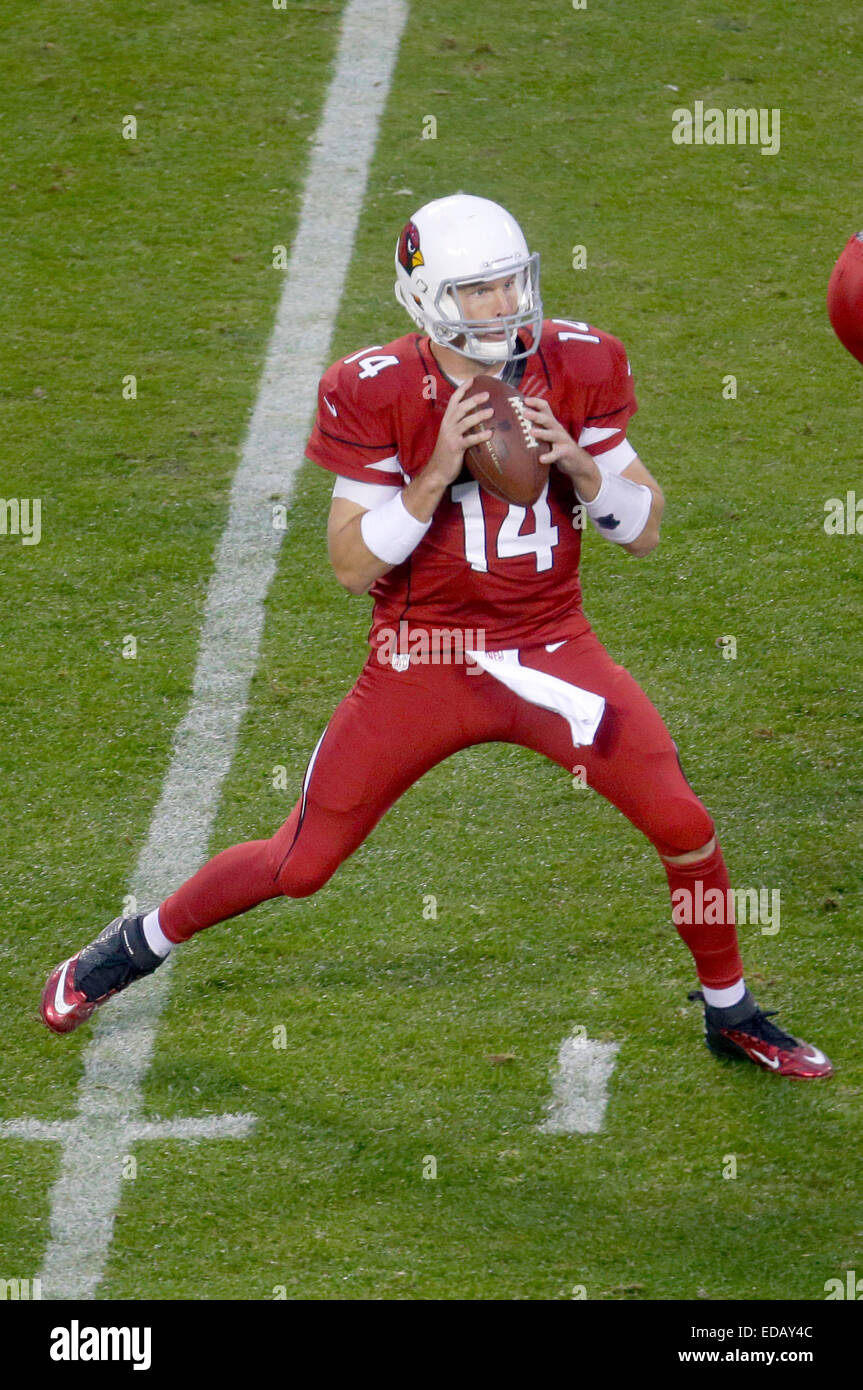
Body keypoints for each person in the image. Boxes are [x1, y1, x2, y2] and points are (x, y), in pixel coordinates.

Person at [40, 193, 832, 1079]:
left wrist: (574, 460)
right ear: (424, 297)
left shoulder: (578, 360)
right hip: (422, 663)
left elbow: (641, 530)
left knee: (683, 823)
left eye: (510, 282)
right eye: (479, 289)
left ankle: (730, 1012)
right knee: (300, 864)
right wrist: (436, 473)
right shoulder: (372, 385)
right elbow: (349, 564)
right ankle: (134, 944)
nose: (503, 305)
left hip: (551, 652)